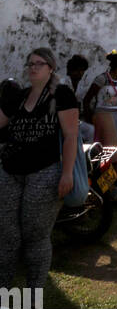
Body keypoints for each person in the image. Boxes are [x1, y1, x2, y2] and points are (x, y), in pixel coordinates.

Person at [0, 47, 78, 293]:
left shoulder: (61, 95)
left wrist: (66, 174)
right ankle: (4, 289)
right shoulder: (20, 96)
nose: (33, 67)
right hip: (10, 172)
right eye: (30, 63)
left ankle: (33, 294)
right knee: (7, 236)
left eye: (39, 63)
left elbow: (70, 136)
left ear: (51, 67)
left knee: (35, 236)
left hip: (44, 173)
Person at [82, 51, 117, 206]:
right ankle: (111, 193)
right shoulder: (101, 79)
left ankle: (115, 191)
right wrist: (90, 123)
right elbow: (87, 100)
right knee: (109, 159)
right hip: (103, 118)